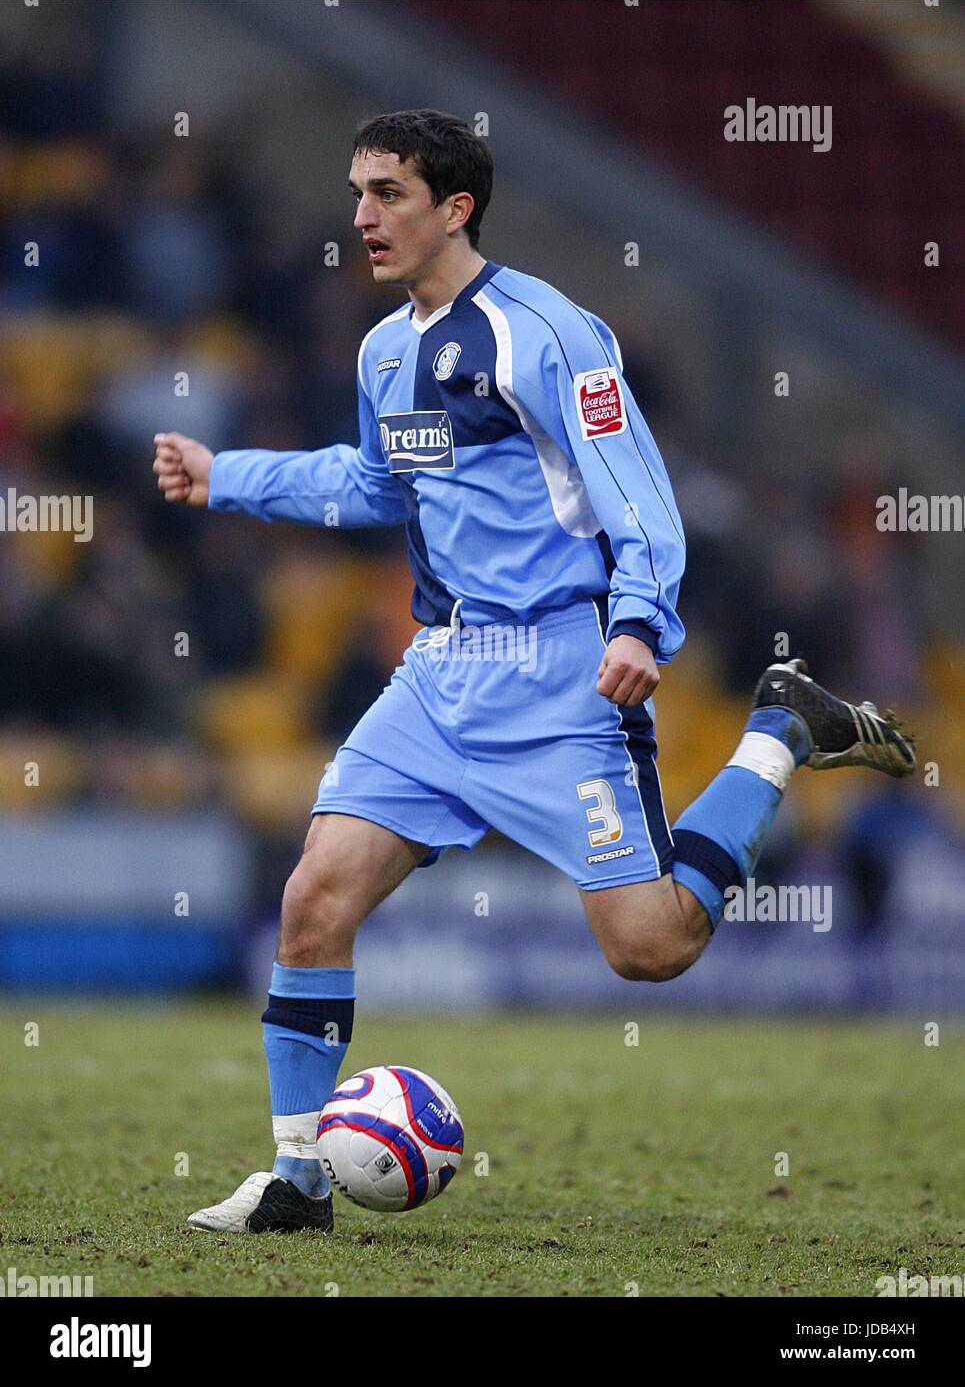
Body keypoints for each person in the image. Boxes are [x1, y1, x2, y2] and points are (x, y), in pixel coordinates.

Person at [153, 110, 915, 1233]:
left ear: (454, 208)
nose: (360, 216)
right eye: (357, 192)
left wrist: (637, 623)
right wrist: (231, 476)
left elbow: (635, 493)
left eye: (388, 194)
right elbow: (374, 486)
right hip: (440, 670)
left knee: (649, 948)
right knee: (313, 897)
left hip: (562, 671)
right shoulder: (380, 351)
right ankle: (295, 1184)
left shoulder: (548, 334)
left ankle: (777, 731)